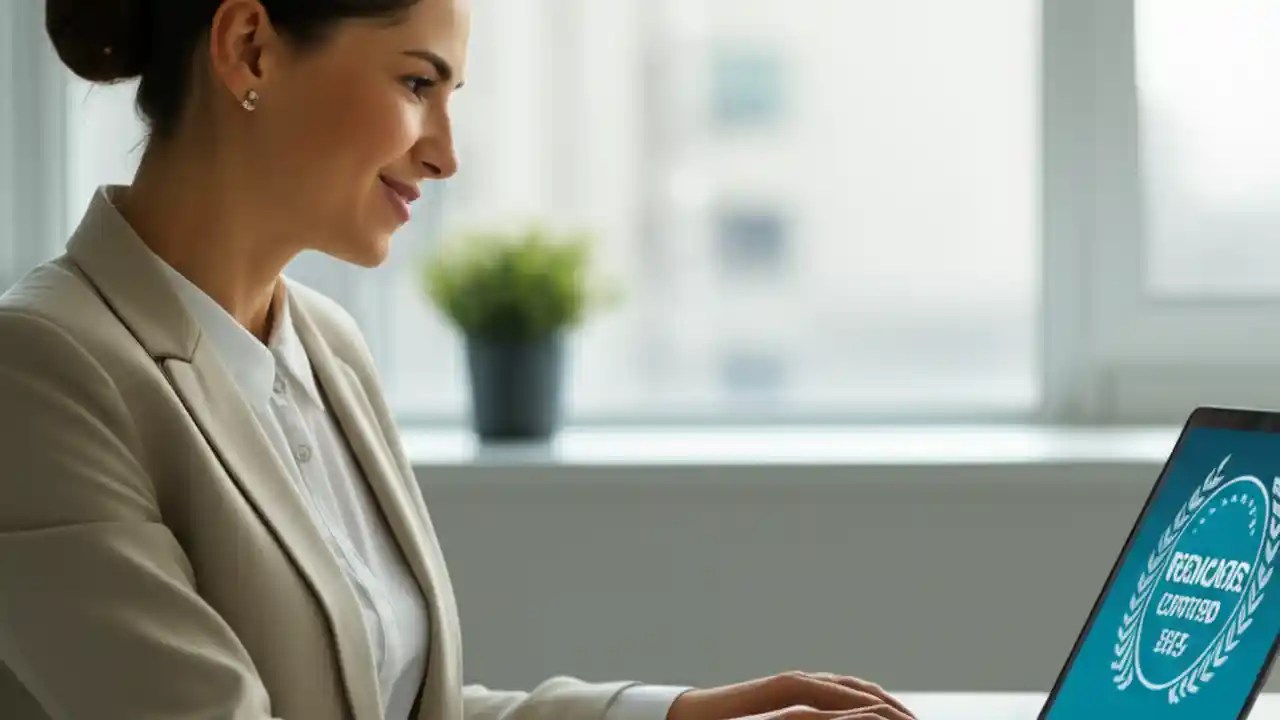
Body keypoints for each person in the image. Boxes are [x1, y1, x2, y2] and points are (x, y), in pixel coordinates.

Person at [0, 2, 917, 719]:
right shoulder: (40, 369)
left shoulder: (326, 347)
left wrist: (674, 716)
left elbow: (397, 706)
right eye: (416, 84)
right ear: (251, 50)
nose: (445, 155)